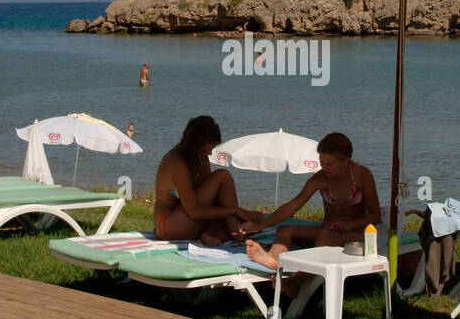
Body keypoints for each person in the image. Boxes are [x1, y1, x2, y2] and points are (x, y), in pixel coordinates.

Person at [242, 132, 382, 272]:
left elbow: (375, 216)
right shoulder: (320, 179)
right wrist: (260, 226)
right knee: (285, 231)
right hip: (327, 229)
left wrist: (350, 225)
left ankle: (297, 281)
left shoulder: (362, 175)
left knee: (326, 235)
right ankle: (273, 260)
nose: (324, 167)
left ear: (345, 161)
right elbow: (293, 206)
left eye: (329, 164)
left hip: (356, 233)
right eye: (321, 162)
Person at [153, 116, 262, 244]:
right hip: (168, 225)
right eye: (206, 150)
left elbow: (212, 195)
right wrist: (235, 211)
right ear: (195, 145)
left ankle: (219, 238)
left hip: (185, 220)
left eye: (211, 149)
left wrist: (235, 213)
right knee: (223, 176)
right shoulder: (178, 162)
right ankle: (236, 233)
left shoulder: (199, 156)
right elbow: (194, 212)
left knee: (256, 218)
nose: (209, 154)